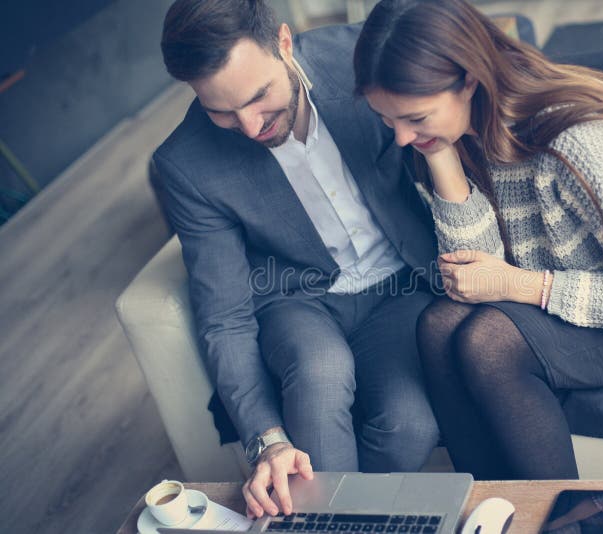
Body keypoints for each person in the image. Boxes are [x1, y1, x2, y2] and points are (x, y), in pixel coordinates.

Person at [353, 0, 603, 481]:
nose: (399, 137)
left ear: (469, 81)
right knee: (438, 325)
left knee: (488, 342)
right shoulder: (437, 134)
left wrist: (519, 285)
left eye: (415, 118)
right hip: (586, 282)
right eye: (387, 119)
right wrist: (442, 159)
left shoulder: (577, 139)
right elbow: (478, 274)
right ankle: (493, 511)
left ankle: (563, 518)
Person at [156, 0, 440, 518]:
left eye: (259, 96)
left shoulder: (367, 59)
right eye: (221, 111)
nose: (247, 126)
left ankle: (339, 522)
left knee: (410, 424)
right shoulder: (185, 164)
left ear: (284, 44)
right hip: (297, 299)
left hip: (399, 286)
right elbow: (224, 317)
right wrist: (267, 441)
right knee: (320, 373)